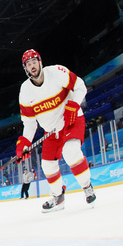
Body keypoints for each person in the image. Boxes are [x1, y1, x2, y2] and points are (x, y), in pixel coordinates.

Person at [16, 49, 96, 212]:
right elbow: (30, 123)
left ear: (40, 62)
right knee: (47, 166)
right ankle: (58, 196)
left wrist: (74, 105)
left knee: (71, 151)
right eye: (28, 64)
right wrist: (25, 143)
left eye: (34, 62)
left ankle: (87, 186)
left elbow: (80, 86)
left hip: (71, 121)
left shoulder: (57, 72)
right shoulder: (25, 91)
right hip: (51, 131)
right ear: (25, 68)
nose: (32, 66)